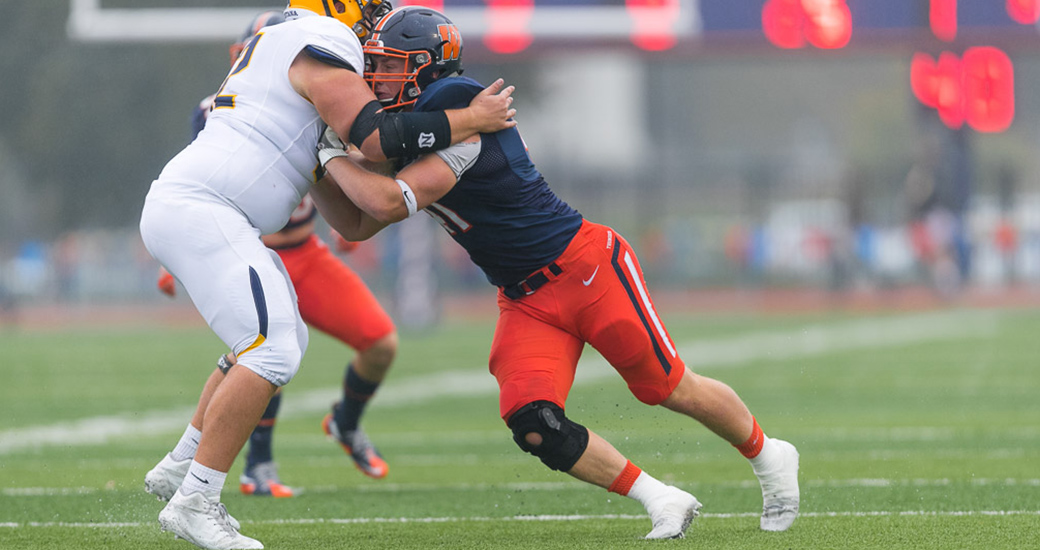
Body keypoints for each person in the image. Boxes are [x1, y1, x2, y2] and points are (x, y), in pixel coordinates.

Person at [311, 6, 800, 539]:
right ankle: (661, 497)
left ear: (426, 65)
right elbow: (355, 224)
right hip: (524, 299)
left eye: (387, 65)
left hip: (585, 268)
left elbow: (379, 189)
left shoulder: (451, 100)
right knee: (533, 423)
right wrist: (315, 168)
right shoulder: (418, 123)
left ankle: (769, 457)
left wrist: (327, 151)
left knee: (667, 387)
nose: (373, 78)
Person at [138, 0, 517, 547]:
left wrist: (352, 171)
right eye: (368, 9)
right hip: (207, 208)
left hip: (214, 211)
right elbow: (376, 138)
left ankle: (180, 465)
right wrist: (468, 121)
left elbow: (351, 222)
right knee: (269, 350)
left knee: (280, 338)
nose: (373, 24)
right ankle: (196, 499)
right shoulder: (320, 39)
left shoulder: (289, 51)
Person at [151, 10, 397, 503]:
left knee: (368, 342)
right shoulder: (262, 87)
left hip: (302, 249)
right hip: (240, 237)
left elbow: (349, 183)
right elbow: (211, 176)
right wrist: (458, 123)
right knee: (267, 348)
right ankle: (218, 480)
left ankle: (187, 465)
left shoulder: (315, 89)